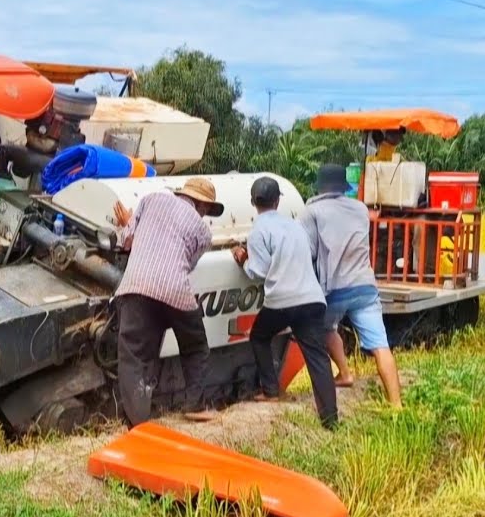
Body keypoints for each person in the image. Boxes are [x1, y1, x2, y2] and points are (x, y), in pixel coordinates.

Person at [111, 178, 224, 426]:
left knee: (135, 356)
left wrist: (126, 224)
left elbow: (126, 241)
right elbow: (188, 264)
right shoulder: (204, 232)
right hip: (174, 292)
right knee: (195, 347)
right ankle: (194, 405)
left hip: (135, 287)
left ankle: (137, 423)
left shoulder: (151, 199)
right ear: (203, 206)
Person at [232, 177, 339, 429]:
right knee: (317, 357)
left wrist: (241, 259)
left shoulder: (258, 230)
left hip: (282, 301)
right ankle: (331, 419)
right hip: (312, 299)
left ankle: (270, 390)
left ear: (252, 202)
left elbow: (257, 272)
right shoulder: (295, 226)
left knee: (259, 336)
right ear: (278, 200)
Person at [300, 164, 402, 409]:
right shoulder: (359, 208)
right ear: (343, 186)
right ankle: (397, 404)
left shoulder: (311, 211)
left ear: (320, 185)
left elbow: (308, 250)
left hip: (334, 288)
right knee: (381, 346)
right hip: (365, 286)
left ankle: (344, 373)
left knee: (325, 327)